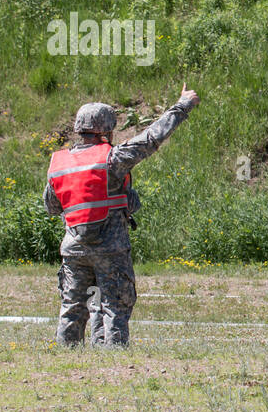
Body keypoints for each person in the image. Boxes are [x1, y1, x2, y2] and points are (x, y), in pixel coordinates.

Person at [44, 87, 200, 346]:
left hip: (73, 248)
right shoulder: (112, 158)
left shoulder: (60, 163)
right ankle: (113, 360)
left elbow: (52, 206)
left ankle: (64, 358)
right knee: (114, 304)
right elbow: (151, 138)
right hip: (110, 248)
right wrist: (182, 106)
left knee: (72, 307)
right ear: (105, 131)